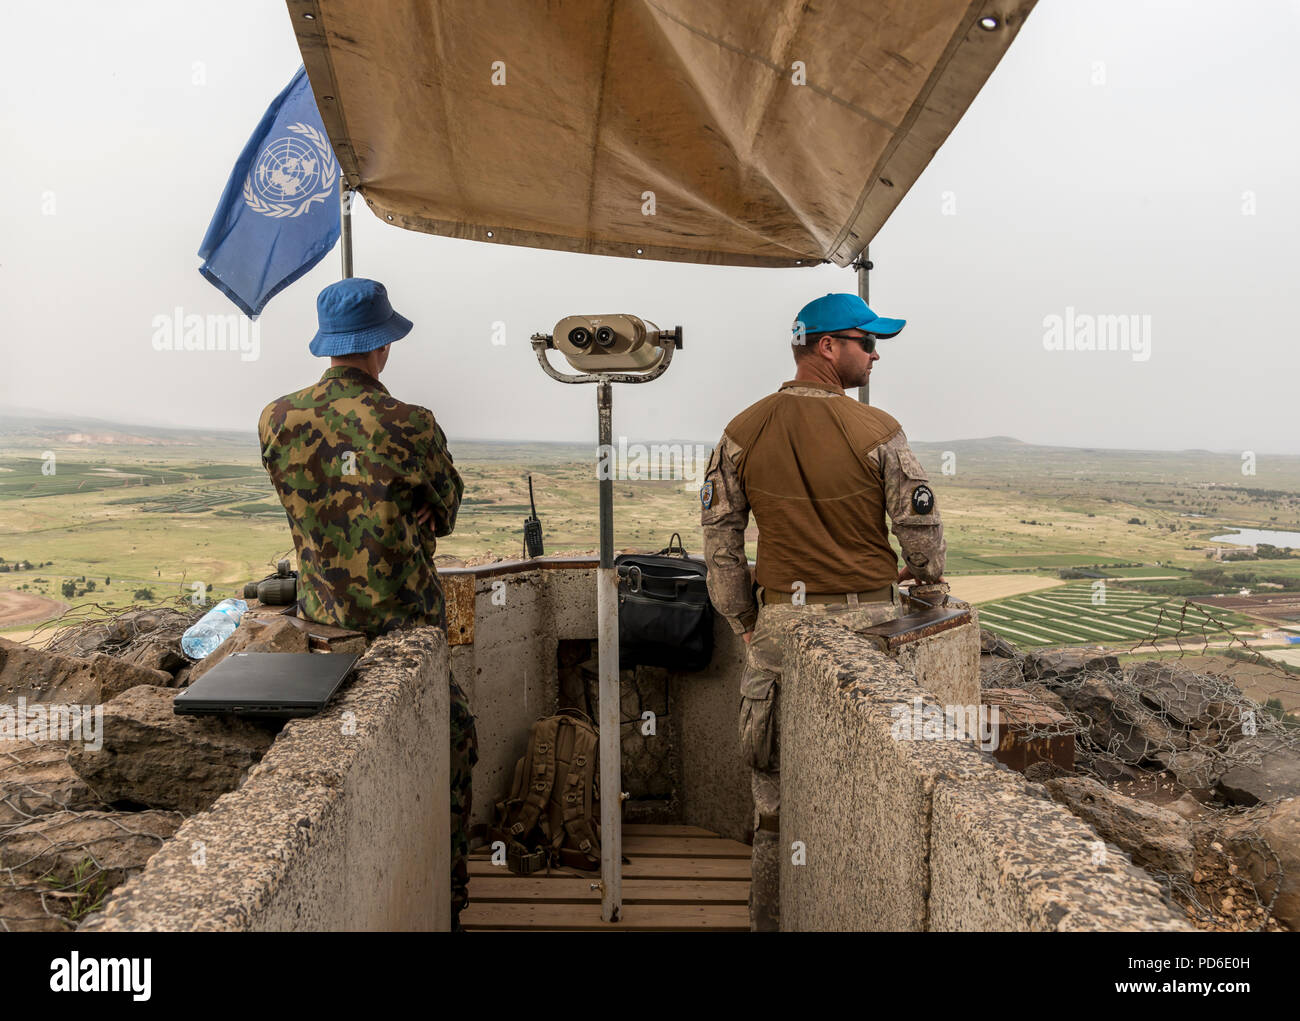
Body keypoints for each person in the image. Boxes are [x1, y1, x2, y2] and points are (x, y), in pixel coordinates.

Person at [699, 292, 947, 931]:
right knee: (867, 802)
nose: (875, 355)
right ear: (827, 347)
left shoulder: (742, 430)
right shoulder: (878, 430)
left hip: (780, 629)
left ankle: (770, 920)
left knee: (775, 807)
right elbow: (919, 531)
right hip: (869, 632)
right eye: (867, 343)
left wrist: (744, 622)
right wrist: (925, 581)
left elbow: (721, 545)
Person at [257, 277, 478, 930]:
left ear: (329, 345)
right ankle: (451, 902)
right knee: (457, 743)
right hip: (403, 625)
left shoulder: (276, 418)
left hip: (321, 630)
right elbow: (448, 513)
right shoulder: (412, 424)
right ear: (382, 344)